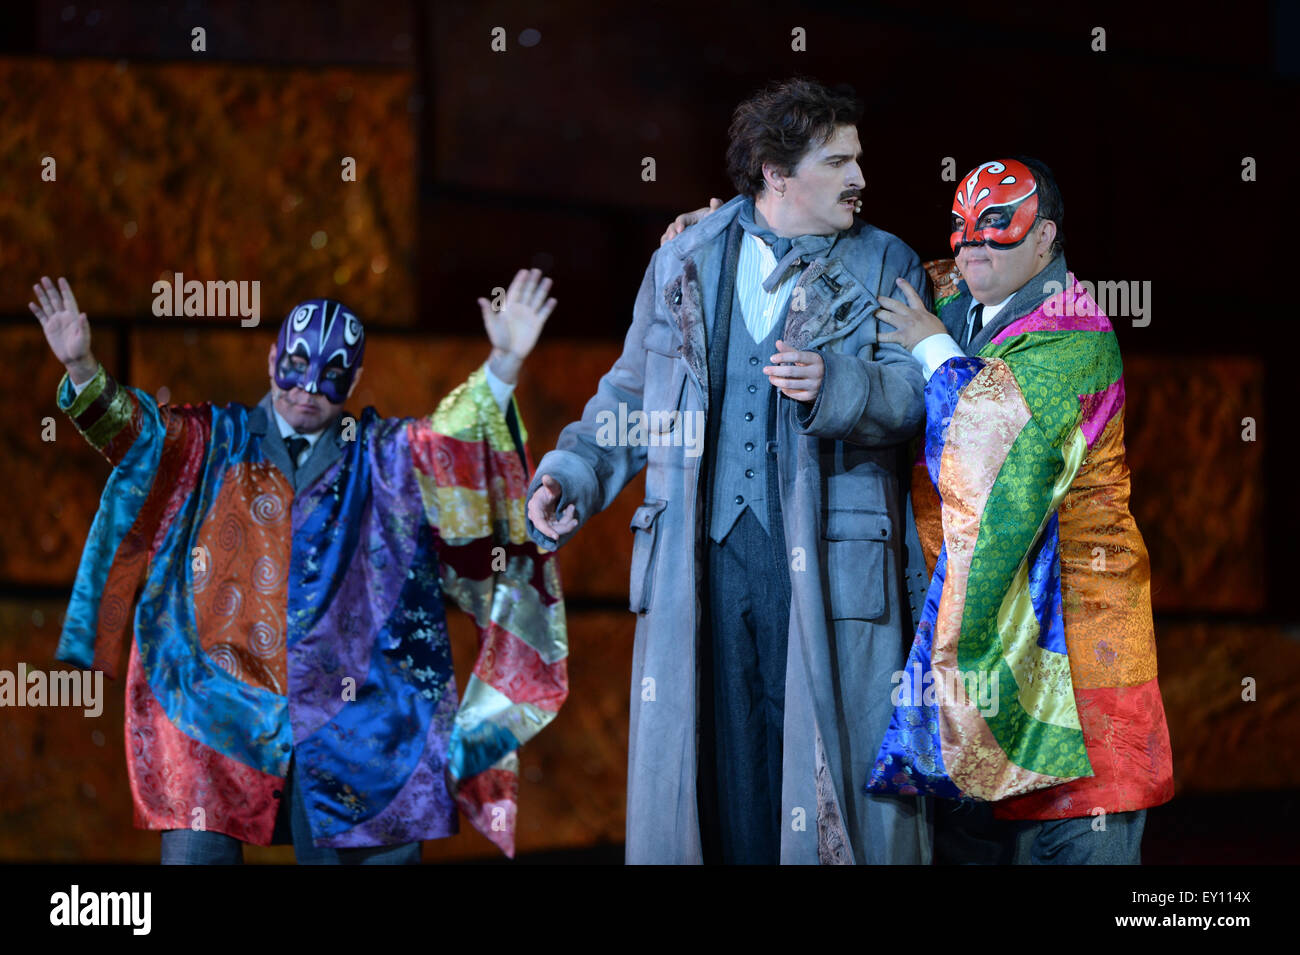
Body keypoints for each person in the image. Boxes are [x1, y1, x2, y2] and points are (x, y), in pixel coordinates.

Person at [29, 269, 568, 864]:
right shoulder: (213, 440)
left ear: (356, 378)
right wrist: (81, 369)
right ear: (271, 358)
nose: (308, 388)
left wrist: (502, 365)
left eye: (332, 374)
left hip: (353, 718)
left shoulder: (381, 455)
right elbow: (139, 436)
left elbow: (449, 444)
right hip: (214, 711)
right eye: (297, 364)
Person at [526, 78, 932, 864]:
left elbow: (917, 391)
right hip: (702, 557)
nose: (860, 178)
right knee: (721, 765)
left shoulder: (885, 261)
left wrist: (838, 386)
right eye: (838, 162)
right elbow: (634, 392)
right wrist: (573, 470)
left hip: (826, 559)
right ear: (777, 173)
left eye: (858, 159)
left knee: (818, 771)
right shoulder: (686, 256)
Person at [867, 157, 1174, 863]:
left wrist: (932, 350)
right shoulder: (948, 292)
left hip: (1079, 658)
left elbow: (998, 460)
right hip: (984, 657)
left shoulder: (1076, 330)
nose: (973, 244)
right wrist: (726, 227)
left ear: (1047, 240)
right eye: (961, 228)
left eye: (998, 228)